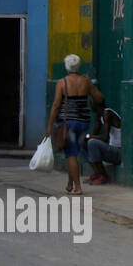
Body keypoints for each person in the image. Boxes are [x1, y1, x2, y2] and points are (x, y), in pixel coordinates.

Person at [45, 55, 102, 196]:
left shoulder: (62, 83)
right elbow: (99, 98)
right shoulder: (86, 82)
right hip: (84, 122)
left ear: (66, 66)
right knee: (75, 153)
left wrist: (49, 125)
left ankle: (78, 187)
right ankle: (70, 184)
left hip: (68, 123)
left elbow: (56, 105)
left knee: (71, 154)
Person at [83, 106, 122, 184]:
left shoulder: (107, 113)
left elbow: (105, 138)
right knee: (84, 142)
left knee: (92, 142)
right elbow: (94, 134)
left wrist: (88, 136)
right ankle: (98, 173)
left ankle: (104, 176)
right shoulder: (100, 116)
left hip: (119, 152)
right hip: (111, 151)